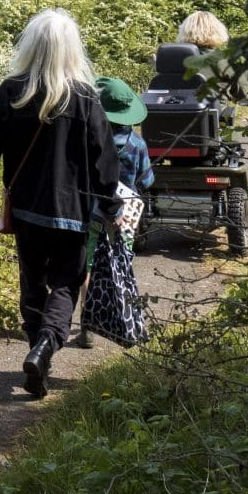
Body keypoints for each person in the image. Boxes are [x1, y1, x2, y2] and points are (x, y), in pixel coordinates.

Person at [0, 9, 120, 399]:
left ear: (30, 45)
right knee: (66, 283)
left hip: (27, 209)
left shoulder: (11, 92)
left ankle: (37, 349)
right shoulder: (85, 97)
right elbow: (104, 157)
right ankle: (45, 347)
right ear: (72, 49)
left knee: (32, 282)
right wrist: (110, 206)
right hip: (73, 211)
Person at [78, 75, 153, 348]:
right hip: (127, 214)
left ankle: (87, 325)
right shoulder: (137, 144)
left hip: (93, 209)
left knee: (87, 265)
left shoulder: (90, 140)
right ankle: (123, 321)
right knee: (121, 262)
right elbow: (146, 182)